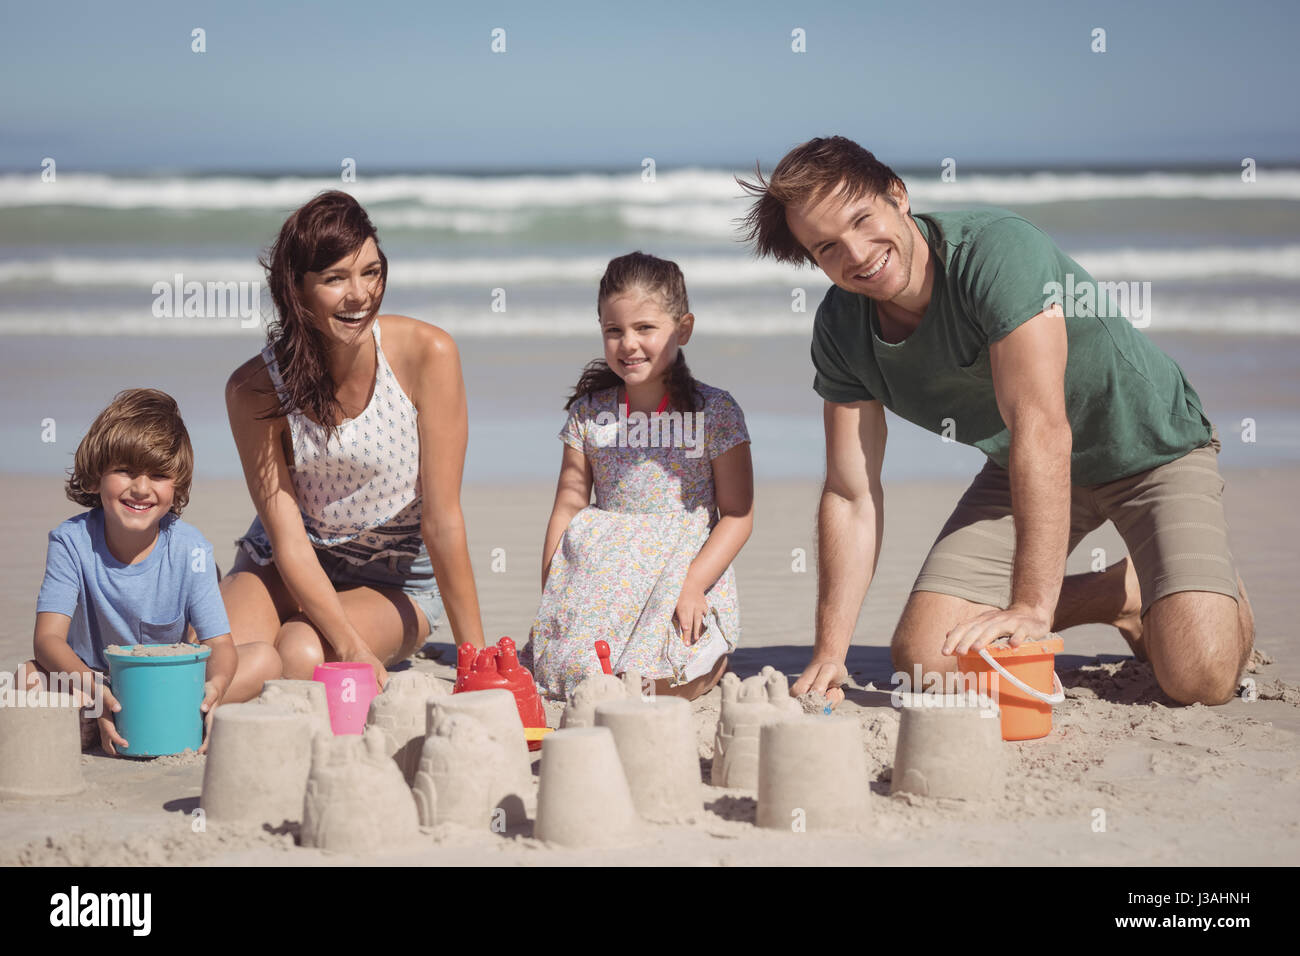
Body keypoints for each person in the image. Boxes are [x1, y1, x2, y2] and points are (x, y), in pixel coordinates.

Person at [739, 136, 1254, 707]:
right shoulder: (842, 330)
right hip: (1023, 467)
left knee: (1199, 679)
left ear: (897, 194)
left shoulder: (997, 252)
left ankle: (1187, 594)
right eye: (827, 247)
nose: (857, 253)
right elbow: (850, 491)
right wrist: (829, 655)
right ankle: (1121, 595)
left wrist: (1032, 610)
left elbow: (1042, 426)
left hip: (1151, 448)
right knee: (927, 658)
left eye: (863, 220)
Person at [223, 191, 486, 690]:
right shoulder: (252, 388)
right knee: (219, 657)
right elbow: (288, 541)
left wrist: (475, 659)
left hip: (397, 578)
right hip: (287, 560)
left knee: (301, 654)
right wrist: (351, 646)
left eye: (370, 271)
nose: (360, 294)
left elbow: (443, 520)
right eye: (335, 278)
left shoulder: (428, 354)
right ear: (296, 290)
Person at [524, 252, 754, 700]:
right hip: (599, 573)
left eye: (644, 328)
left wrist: (693, 583)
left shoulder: (716, 412)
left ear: (682, 329)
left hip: (682, 569)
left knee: (670, 682)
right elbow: (569, 505)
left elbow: (738, 516)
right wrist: (554, 583)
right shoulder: (589, 413)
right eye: (614, 330)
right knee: (568, 679)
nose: (628, 343)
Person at [18, 388, 246, 754]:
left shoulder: (191, 549)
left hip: (167, 681)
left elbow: (219, 643)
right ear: (96, 477)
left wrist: (215, 686)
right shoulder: (70, 542)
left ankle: (186, 711)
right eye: (125, 471)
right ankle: (103, 714)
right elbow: (48, 640)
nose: (141, 488)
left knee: (263, 659)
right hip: (90, 677)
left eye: (158, 475)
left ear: (177, 486)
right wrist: (94, 691)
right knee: (25, 680)